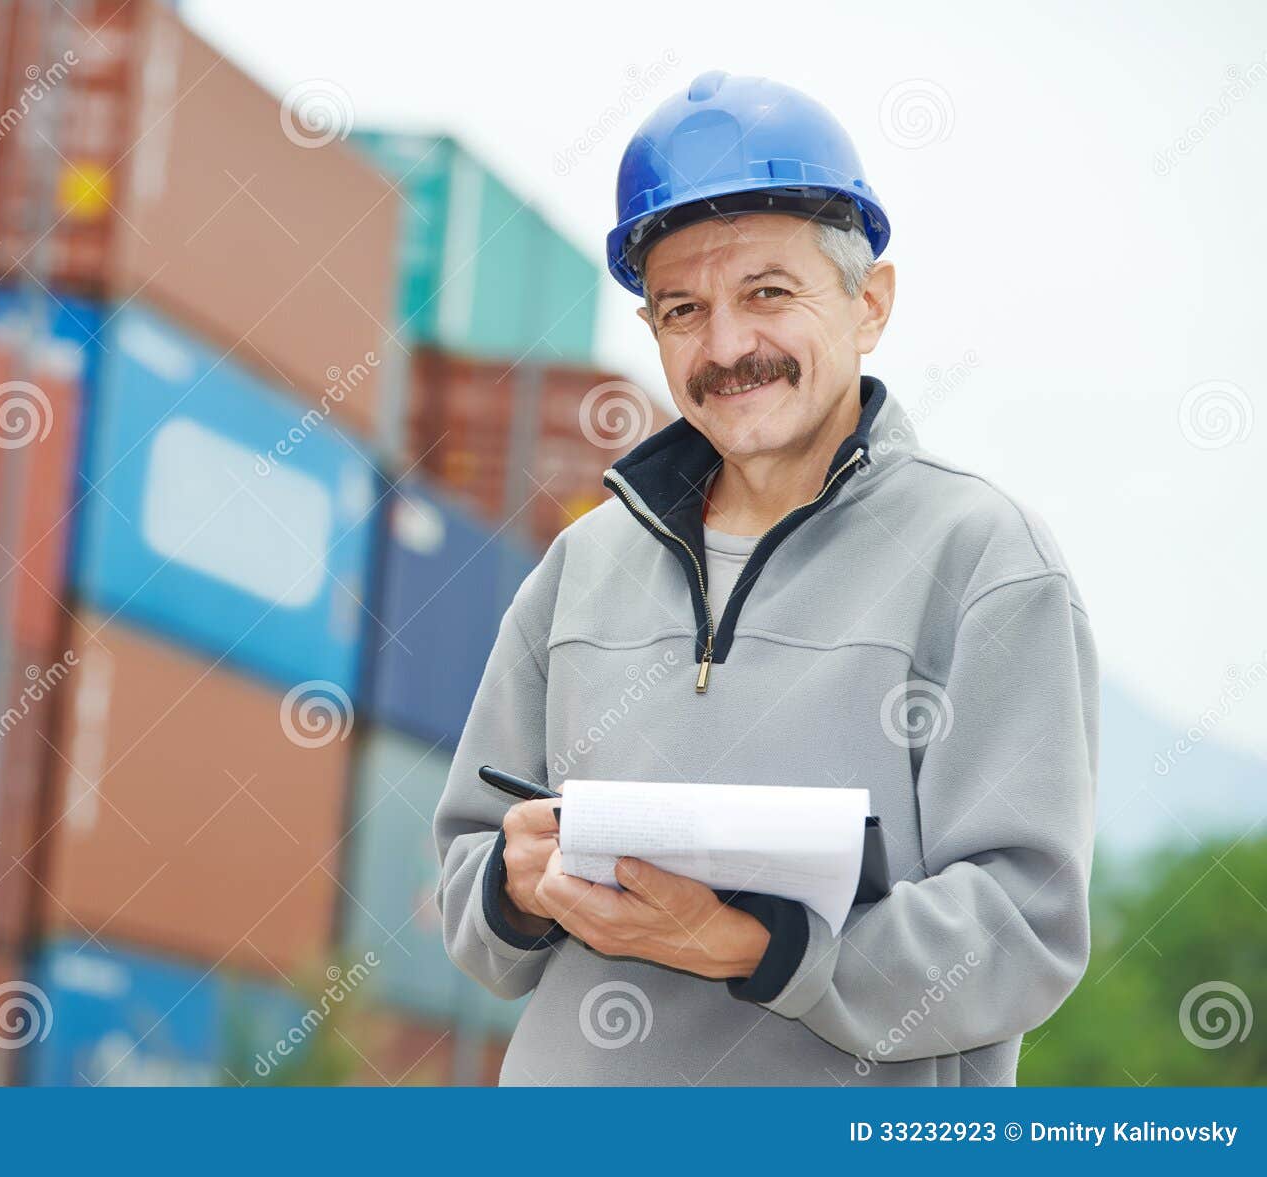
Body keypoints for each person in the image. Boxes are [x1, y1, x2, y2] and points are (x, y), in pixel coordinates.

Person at [432, 72, 1098, 1086]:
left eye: (767, 294)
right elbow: (468, 891)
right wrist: (512, 884)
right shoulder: (582, 564)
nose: (728, 346)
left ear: (868, 302)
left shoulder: (984, 559)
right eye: (684, 310)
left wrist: (763, 949)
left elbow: (1024, 929)